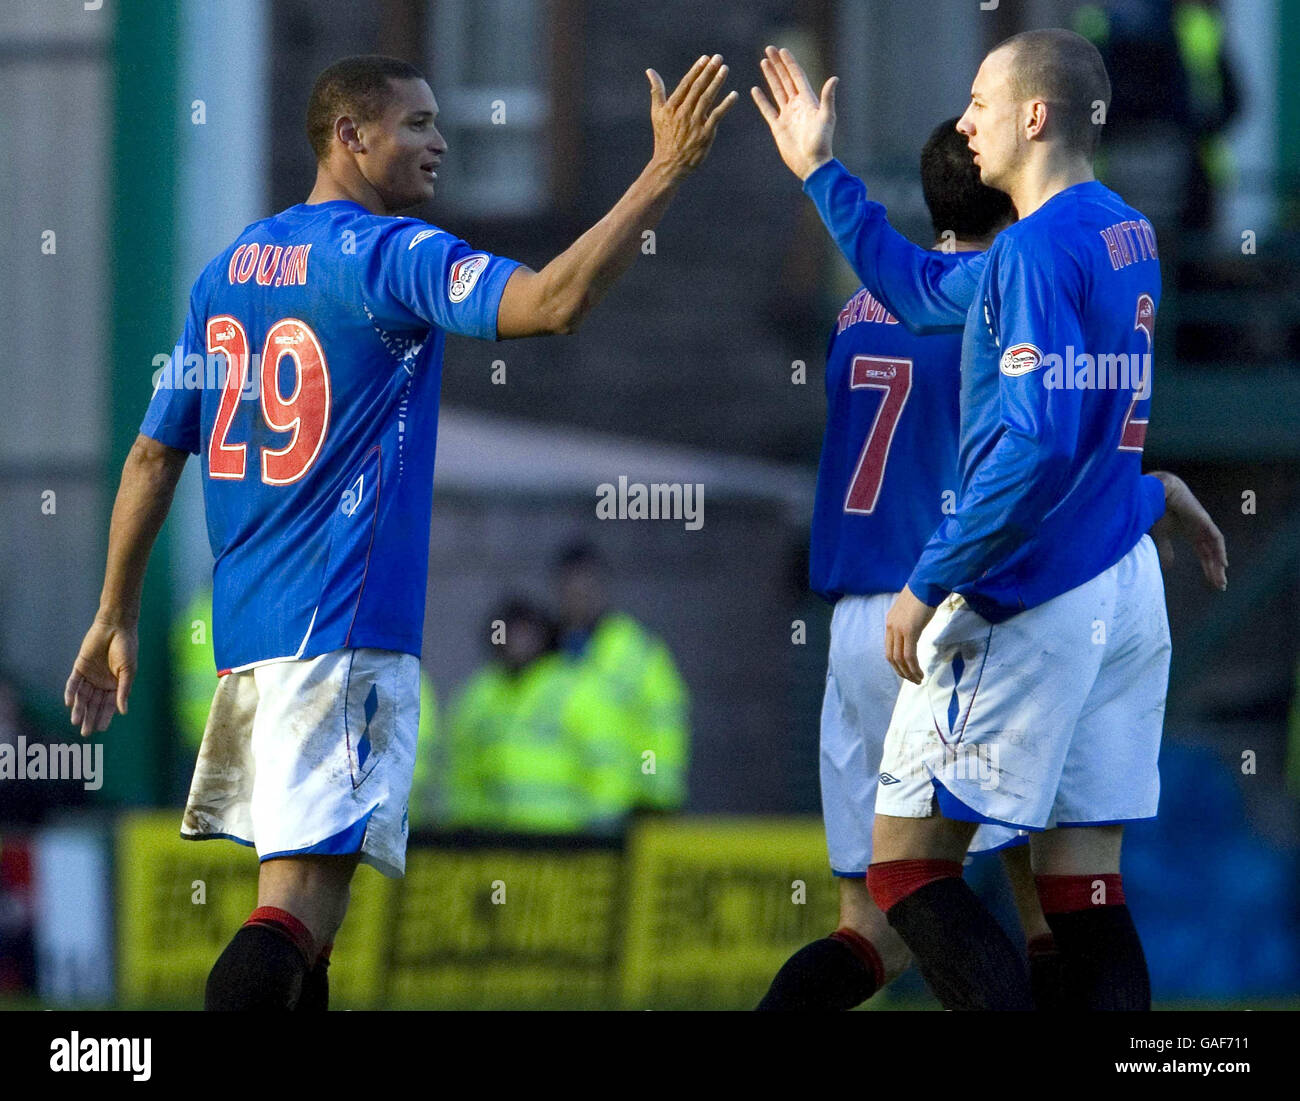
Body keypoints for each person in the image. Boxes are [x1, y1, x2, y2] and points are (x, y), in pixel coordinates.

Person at [65, 52, 736, 1011]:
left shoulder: (225, 275)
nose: (440, 140)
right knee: (292, 913)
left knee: (308, 927)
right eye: (416, 123)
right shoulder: (390, 256)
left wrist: (113, 612)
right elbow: (551, 303)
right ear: (351, 137)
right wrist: (662, 171)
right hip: (338, 633)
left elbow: (149, 457)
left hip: (252, 640)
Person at [754, 36, 1227, 1010]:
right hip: (1121, 576)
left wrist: (929, 578)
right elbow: (927, 292)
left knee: (907, 877)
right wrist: (818, 170)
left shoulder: (1033, 254)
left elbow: (1037, 444)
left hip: (1035, 585)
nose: (964, 121)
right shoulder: (1124, 234)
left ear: (1035, 117)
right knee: (1076, 884)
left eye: (979, 101)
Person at [758, 120, 1061, 1011]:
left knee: (872, 929)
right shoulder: (997, 302)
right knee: (1039, 882)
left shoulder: (858, 308)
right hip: (942, 614)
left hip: (856, 624)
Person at [552, 542, 689, 831]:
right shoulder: (551, 650)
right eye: (570, 589)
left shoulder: (635, 650)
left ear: (602, 588)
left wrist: (657, 800)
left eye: (586, 588)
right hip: (562, 815)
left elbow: (663, 722)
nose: (579, 598)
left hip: (625, 814)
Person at [432, 598, 587, 833]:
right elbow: (461, 773)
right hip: (495, 842)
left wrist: (600, 833)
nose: (518, 641)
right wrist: (465, 828)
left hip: (564, 839)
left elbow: (603, 766)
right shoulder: (478, 696)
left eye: (527, 633)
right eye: (510, 632)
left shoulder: (574, 689)